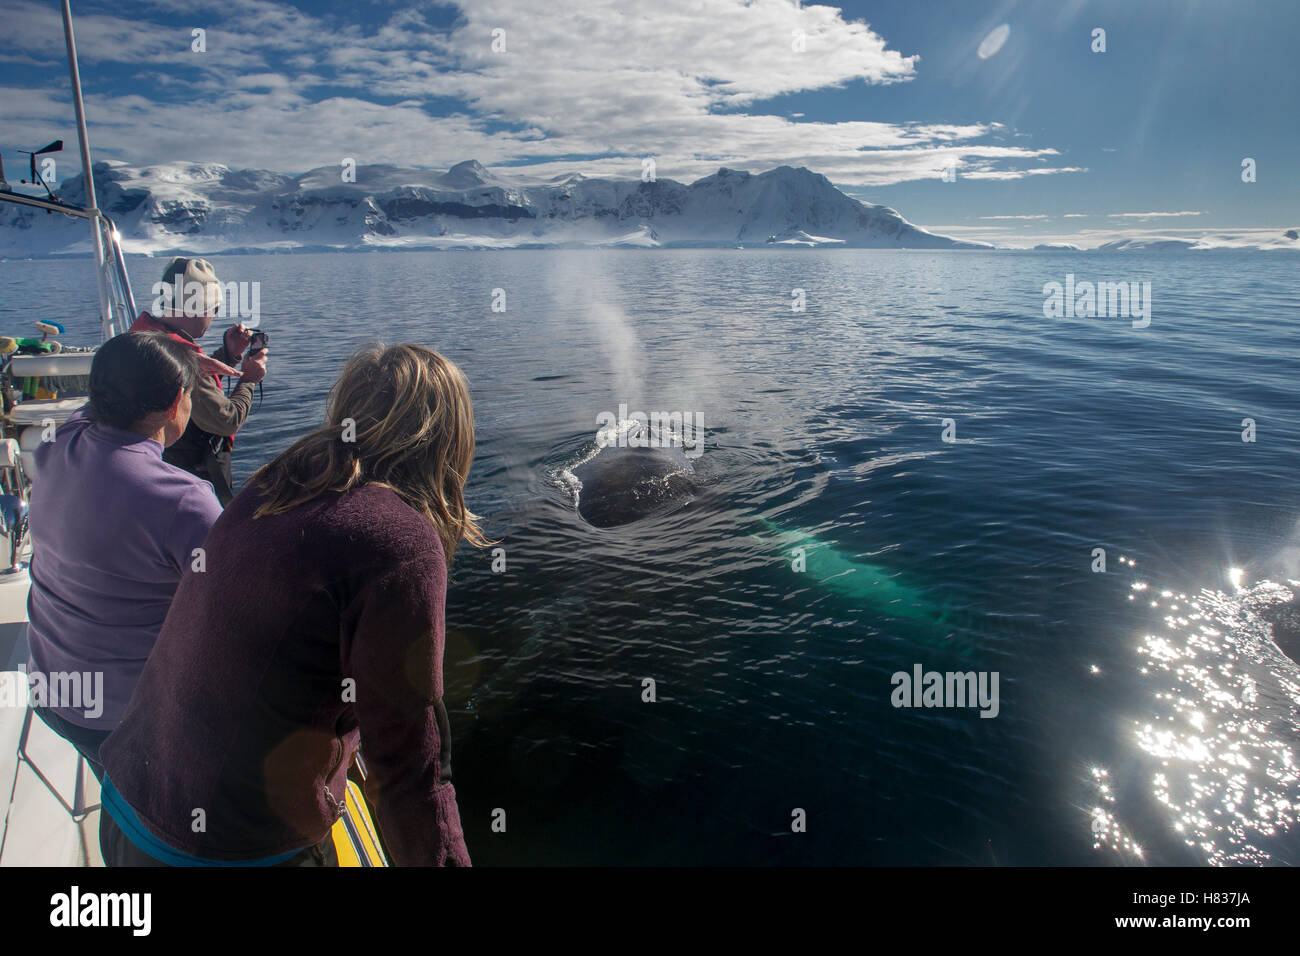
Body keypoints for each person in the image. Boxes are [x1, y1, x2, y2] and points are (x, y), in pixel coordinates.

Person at [99, 343, 486, 867]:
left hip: (128, 801)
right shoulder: (400, 542)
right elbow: (409, 766)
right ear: (448, 438)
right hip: (227, 848)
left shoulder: (277, 481)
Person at [24, 332, 223, 781]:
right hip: (126, 719)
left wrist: (173, 363)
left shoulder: (58, 445)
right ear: (177, 403)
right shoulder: (185, 501)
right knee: (152, 817)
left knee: (119, 795)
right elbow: (235, 612)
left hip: (54, 694)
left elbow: (102, 399)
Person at [129, 256, 268, 504]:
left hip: (156, 472)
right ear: (198, 307)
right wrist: (248, 379)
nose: (214, 316)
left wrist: (228, 354)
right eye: (213, 309)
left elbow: (198, 382)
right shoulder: (181, 358)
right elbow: (226, 420)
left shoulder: (147, 341)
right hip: (192, 480)